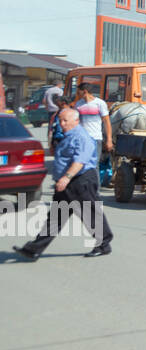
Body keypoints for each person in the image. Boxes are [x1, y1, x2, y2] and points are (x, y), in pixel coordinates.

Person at [13, 107, 113, 259]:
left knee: (90, 213)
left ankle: (104, 244)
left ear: (76, 120)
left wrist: (66, 178)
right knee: (55, 217)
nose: (62, 123)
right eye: (60, 120)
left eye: (65, 120)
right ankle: (34, 249)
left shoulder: (81, 136)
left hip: (80, 180)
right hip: (66, 182)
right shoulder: (67, 135)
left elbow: (80, 161)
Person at [73, 82, 112, 175]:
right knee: (81, 163)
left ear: (85, 92)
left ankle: (95, 188)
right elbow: (75, 122)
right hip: (82, 139)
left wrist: (109, 140)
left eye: (79, 92)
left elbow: (107, 122)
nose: (77, 95)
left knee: (95, 164)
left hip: (95, 138)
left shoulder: (100, 103)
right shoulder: (78, 105)